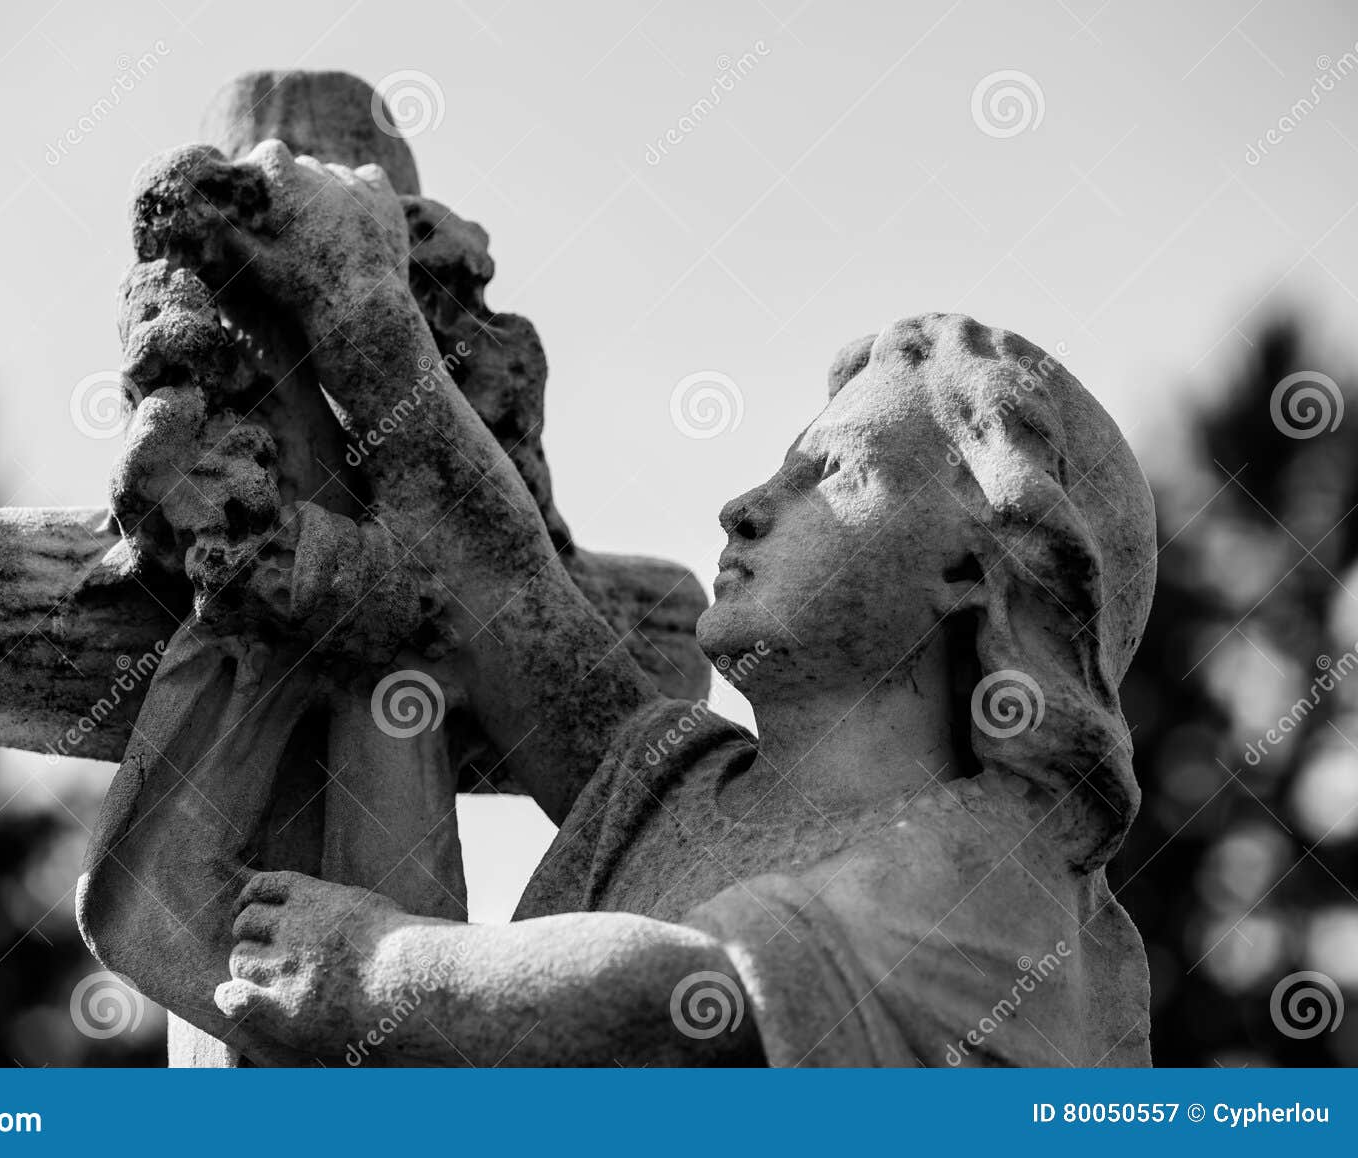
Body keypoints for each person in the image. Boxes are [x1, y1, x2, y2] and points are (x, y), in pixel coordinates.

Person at [131, 146, 1159, 1067]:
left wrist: (381, 968)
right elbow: (502, 589)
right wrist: (360, 311)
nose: (746, 506)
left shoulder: (1002, 877)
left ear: (975, 569)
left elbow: (691, 994)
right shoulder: (672, 787)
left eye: (831, 475)